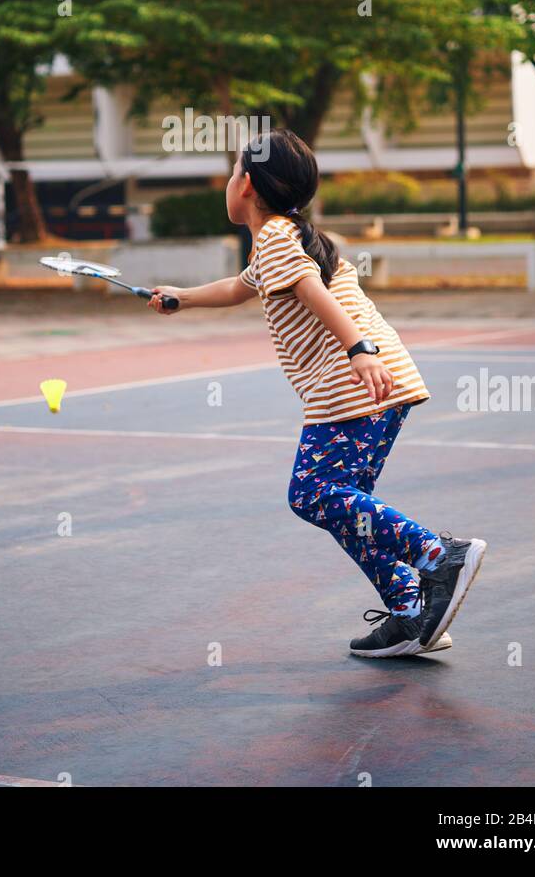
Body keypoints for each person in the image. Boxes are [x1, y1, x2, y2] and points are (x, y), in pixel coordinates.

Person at [148, 128, 486, 658]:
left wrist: (357, 348)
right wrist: (181, 298)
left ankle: (440, 556)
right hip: (378, 381)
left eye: (235, 171)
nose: (229, 180)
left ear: (249, 187)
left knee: (310, 493)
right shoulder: (282, 239)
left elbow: (309, 289)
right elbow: (240, 287)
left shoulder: (279, 240)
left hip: (352, 382)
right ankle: (411, 610)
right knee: (347, 509)